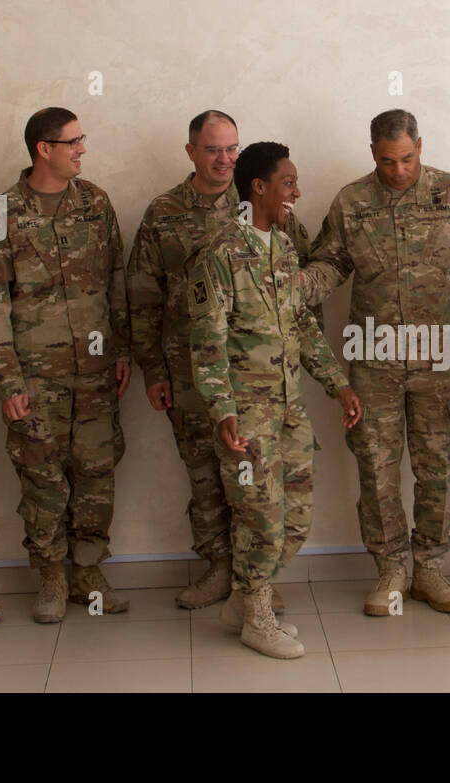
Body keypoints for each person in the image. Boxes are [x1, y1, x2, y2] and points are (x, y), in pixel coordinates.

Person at [299, 109, 450, 615]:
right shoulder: (352, 201)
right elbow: (329, 264)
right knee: (378, 467)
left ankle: (429, 567)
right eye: (388, 161)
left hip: (436, 359)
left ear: (421, 147)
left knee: (437, 465)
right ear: (372, 154)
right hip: (373, 359)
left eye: (407, 158)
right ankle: (390, 568)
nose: (399, 171)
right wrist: (297, 289)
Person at [129, 110, 312, 613]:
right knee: (207, 475)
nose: (224, 159)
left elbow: (302, 270)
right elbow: (142, 294)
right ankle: (217, 569)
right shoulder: (163, 212)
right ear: (191, 152)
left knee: (259, 480)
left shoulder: (261, 198)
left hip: (256, 376)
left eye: (232, 148)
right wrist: (151, 367)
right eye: (213, 150)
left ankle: (255, 579)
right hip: (189, 372)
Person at [189, 142, 361, 657]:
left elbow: (302, 324)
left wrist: (337, 382)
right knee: (260, 517)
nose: (296, 191)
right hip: (246, 413)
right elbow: (207, 340)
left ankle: (245, 600)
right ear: (258, 186)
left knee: (298, 517)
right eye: (288, 182)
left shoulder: (283, 248)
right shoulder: (219, 253)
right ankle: (257, 617)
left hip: (289, 409)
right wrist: (222, 409)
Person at [0, 107, 131, 623]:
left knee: (96, 475)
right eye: (74, 141)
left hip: (95, 371)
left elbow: (116, 281)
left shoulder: (96, 203)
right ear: (44, 149)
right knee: (42, 478)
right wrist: (7, 382)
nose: (82, 149)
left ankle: (87, 571)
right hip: (34, 377)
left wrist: (122, 351)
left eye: (82, 139)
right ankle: (50, 575)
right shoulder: (3, 215)